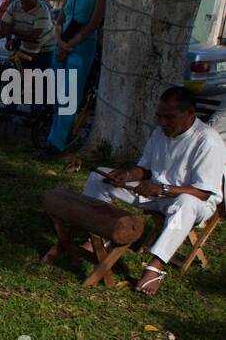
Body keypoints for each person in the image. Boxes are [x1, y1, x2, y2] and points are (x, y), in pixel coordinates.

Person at [82, 87, 225, 296]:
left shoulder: (208, 140)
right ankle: (99, 236)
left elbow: (204, 192)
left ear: (190, 114)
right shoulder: (160, 132)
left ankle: (155, 267)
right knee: (100, 176)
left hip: (194, 202)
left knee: (185, 202)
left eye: (169, 117)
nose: (163, 122)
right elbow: (146, 168)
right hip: (154, 192)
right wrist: (127, 175)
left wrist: (163, 188)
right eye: (159, 116)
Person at [43, 0, 106, 155]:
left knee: (70, 96)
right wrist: (61, 42)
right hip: (62, 45)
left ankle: (58, 143)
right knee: (58, 95)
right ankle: (53, 136)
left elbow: (93, 24)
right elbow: (60, 20)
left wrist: (70, 45)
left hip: (81, 46)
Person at [0, 0, 54, 70]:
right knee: (22, 75)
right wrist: (7, 38)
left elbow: (34, 35)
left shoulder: (42, 10)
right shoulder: (14, 5)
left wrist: (10, 30)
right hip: (26, 45)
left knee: (39, 78)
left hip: (45, 47)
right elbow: (4, 24)